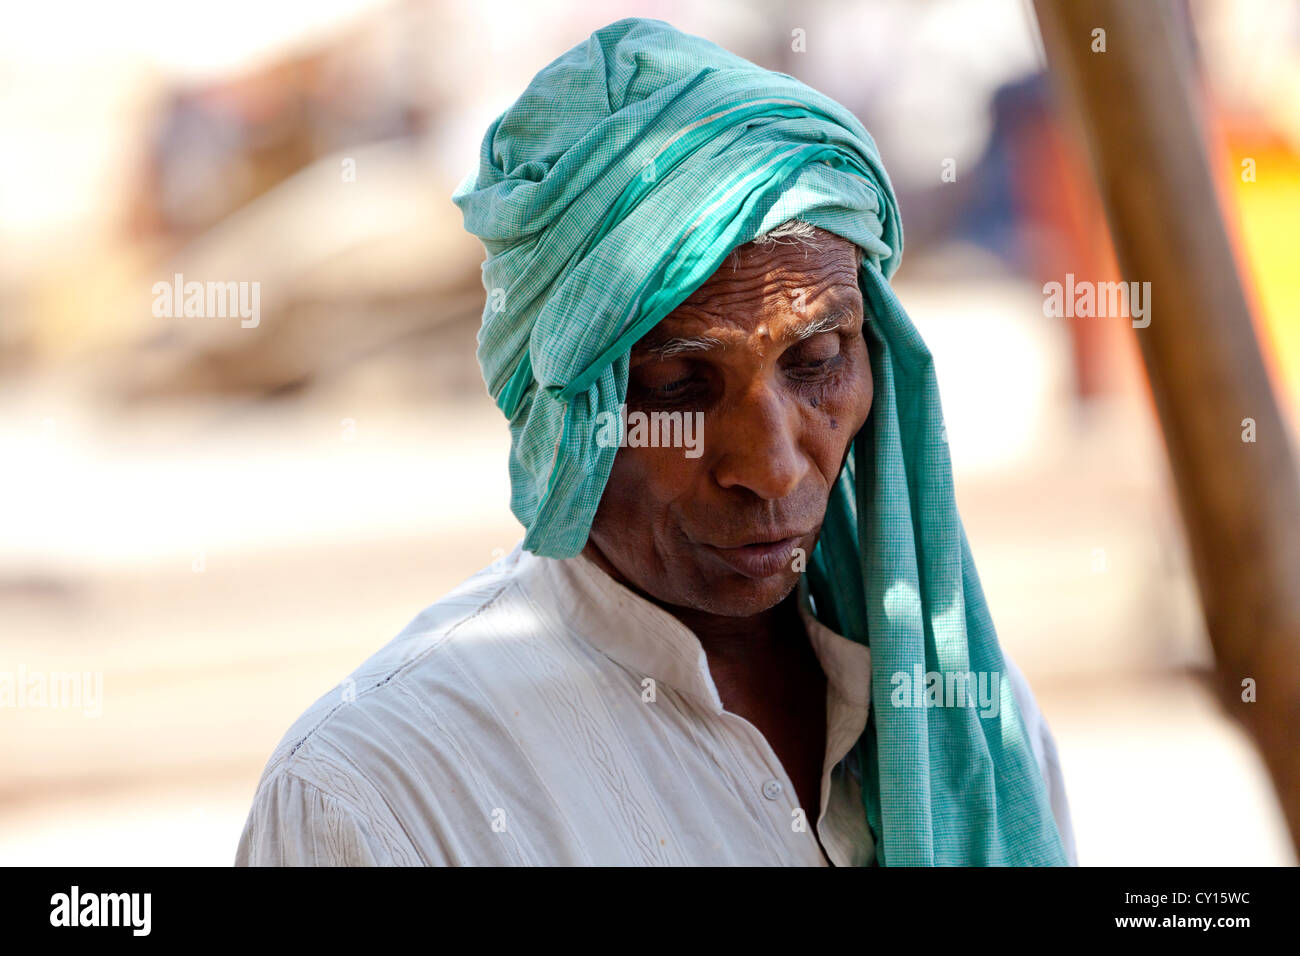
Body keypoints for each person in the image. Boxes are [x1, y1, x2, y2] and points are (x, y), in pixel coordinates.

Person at [236, 17, 1077, 867]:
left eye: (817, 361)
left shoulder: (961, 723)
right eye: (678, 389)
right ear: (561, 416)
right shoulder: (379, 797)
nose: (773, 465)